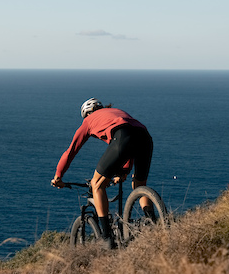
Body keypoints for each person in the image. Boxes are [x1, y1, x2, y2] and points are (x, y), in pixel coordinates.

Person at [51, 98, 154, 248]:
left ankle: (107, 238)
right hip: (144, 137)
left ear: (87, 114)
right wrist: (124, 171)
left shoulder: (88, 121)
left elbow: (71, 151)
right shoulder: (115, 112)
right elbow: (129, 144)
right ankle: (154, 224)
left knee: (96, 184)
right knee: (139, 185)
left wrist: (58, 176)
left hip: (123, 137)